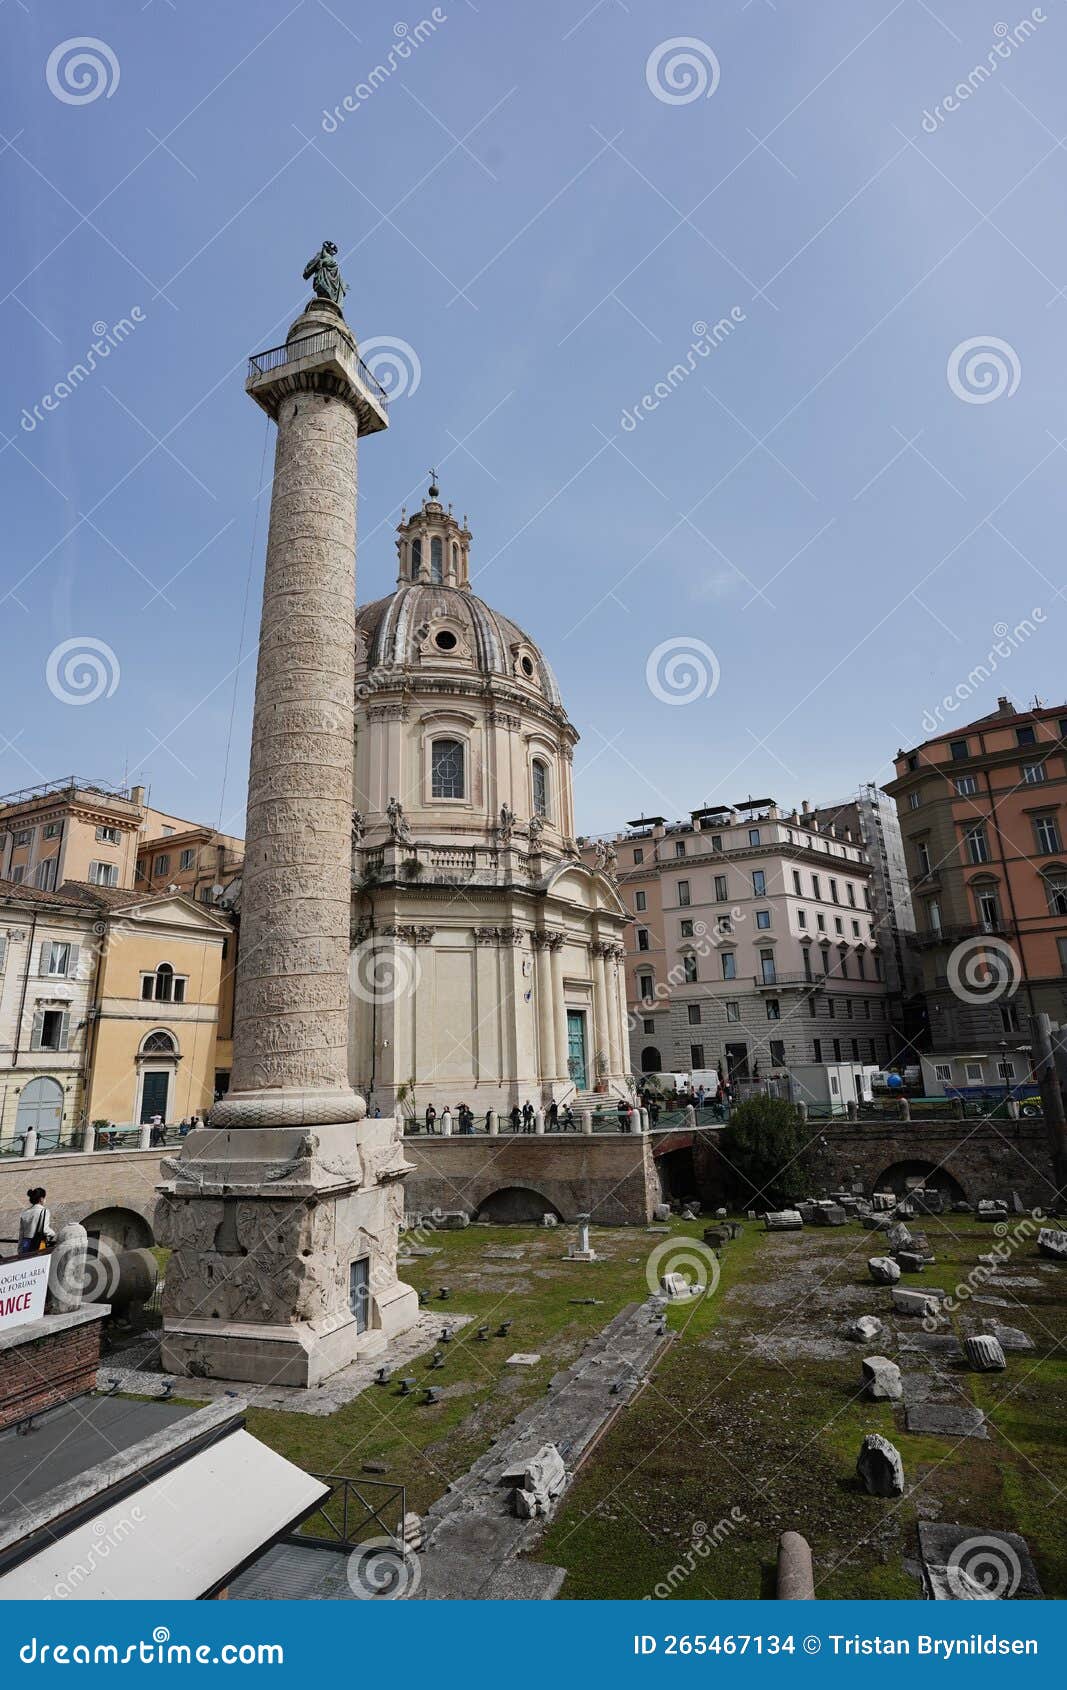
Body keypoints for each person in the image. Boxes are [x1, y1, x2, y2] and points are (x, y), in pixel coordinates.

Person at [18, 1188, 55, 1255]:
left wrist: (19, 1249)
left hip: (25, 1244)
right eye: (44, 1198)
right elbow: (45, 1229)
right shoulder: (44, 1211)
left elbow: (21, 1233)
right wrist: (53, 1233)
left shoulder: (25, 1213)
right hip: (38, 1244)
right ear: (41, 1199)